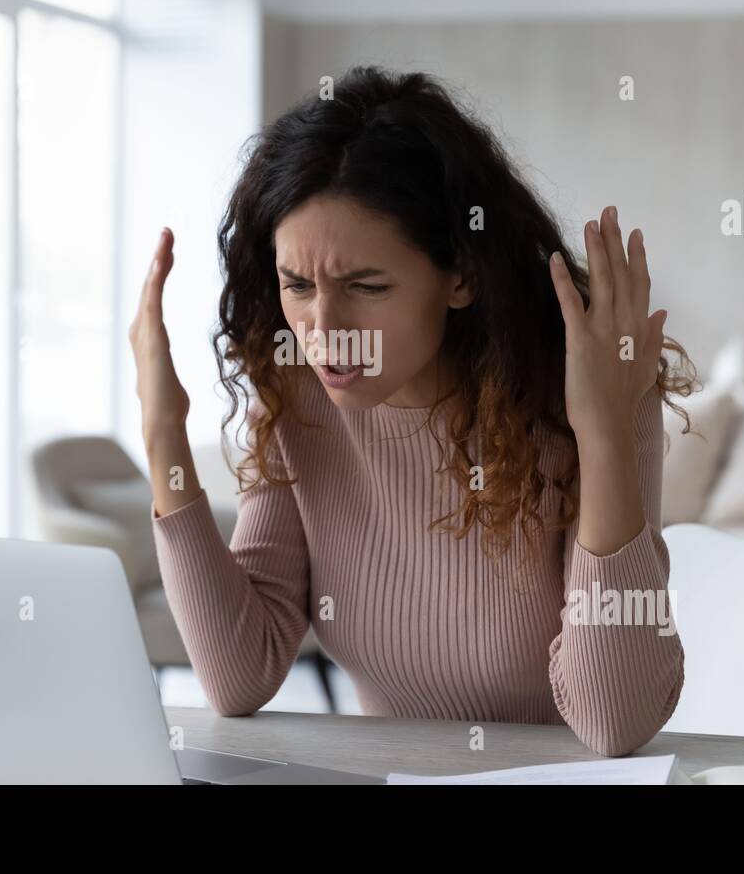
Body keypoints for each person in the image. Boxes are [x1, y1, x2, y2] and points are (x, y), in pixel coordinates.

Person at [128, 65, 697, 757]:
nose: (324, 328)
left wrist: (602, 432)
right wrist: (163, 434)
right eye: (297, 285)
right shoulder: (299, 400)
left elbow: (616, 721)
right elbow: (237, 674)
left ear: (460, 274)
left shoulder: (588, 397)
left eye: (365, 285)